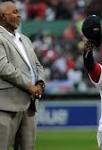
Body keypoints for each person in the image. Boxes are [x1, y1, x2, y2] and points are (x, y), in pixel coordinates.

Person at [0, 1, 45, 150]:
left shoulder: (25, 39)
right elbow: (3, 67)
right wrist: (29, 86)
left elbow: (37, 65)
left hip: (29, 105)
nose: (19, 15)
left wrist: (40, 84)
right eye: (14, 12)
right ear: (2, 16)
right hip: (6, 106)